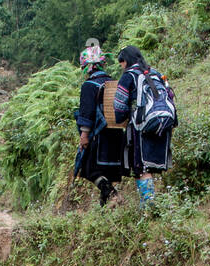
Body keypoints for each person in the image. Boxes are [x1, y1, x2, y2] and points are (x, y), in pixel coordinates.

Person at [112, 45, 175, 209]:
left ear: (125, 61)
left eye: (121, 63)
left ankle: (148, 206)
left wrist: (122, 118)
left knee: (141, 167)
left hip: (141, 127)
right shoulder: (155, 73)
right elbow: (170, 95)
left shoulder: (129, 76)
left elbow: (119, 104)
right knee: (153, 165)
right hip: (162, 123)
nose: (121, 66)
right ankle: (158, 203)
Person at [74, 43, 128, 206]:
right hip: (117, 134)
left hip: (99, 135)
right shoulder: (112, 83)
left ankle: (113, 195)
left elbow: (87, 112)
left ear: (86, 67)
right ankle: (106, 211)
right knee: (108, 172)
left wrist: (84, 135)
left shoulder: (89, 85)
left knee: (89, 169)